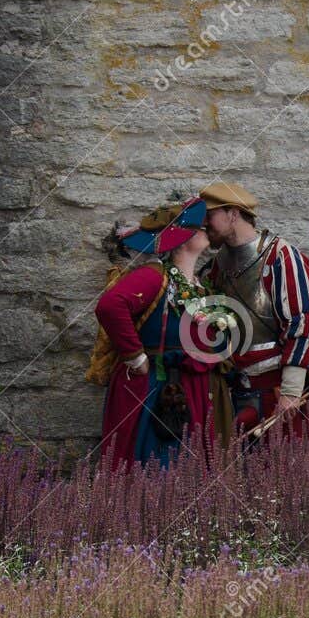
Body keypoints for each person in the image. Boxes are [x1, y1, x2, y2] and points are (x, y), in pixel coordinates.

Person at [94, 195, 229, 467]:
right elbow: (110, 306)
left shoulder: (200, 285)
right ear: (181, 239)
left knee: (188, 472)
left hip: (190, 387)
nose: (205, 229)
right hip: (154, 386)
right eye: (198, 227)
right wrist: (136, 357)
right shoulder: (154, 275)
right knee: (154, 465)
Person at [199, 181, 309, 439]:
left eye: (209, 215)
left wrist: (291, 392)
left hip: (276, 392)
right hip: (234, 390)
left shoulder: (282, 255)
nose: (204, 223)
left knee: (282, 462)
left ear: (233, 214)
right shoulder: (216, 266)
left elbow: (302, 323)